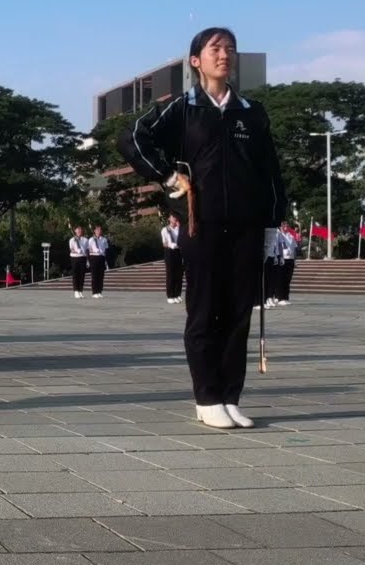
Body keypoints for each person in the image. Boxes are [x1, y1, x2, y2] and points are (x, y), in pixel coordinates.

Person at [119, 26, 286, 430]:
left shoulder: (252, 112)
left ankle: (230, 396)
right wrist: (167, 177)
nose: (224, 54)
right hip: (201, 223)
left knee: (239, 312)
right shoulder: (182, 107)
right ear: (196, 60)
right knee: (206, 310)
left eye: (230, 48)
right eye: (215, 48)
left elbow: (271, 173)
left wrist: (272, 224)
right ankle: (207, 396)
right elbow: (132, 139)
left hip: (247, 226)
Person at [162, 214, 184, 304]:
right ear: (169, 219)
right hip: (170, 252)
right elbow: (164, 243)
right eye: (172, 217)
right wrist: (172, 245)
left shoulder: (180, 228)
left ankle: (177, 294)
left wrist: (180, 228)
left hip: (179, 252)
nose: (174, 218)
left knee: (179, 274)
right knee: (171, 274)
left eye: (176, 217)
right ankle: (170, 295)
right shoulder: (165, 229)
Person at [276, 221, 298, 305]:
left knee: (288, 279)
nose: (285, 226)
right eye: (283, 225)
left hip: (290, 259)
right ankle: (280, 297)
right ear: (281, 226)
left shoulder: (291, 236)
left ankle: (286, 297)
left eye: (287, 225)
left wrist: (294, 260)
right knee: (281, 279)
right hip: (282, 258)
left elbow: (294, 248)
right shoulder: (279, 235)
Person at [87, 225, 109, 299]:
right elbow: (88, 250)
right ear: (94, 231)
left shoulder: (104, 239)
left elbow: (106, 250)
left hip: (101, 257)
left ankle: (99, 291)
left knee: (101, 276)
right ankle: (94, 292)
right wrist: (89, 260)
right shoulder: (91, 240)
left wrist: (106, 260)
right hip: (94, 257)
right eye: (97, 230)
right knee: (94, 275)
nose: (99, 231)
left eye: (100, 230)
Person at [68, 226, 88, 299]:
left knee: (82, 275)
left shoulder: (85, 240)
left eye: (80, 229)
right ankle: (76, 291)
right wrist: (77, 251)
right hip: (75, 258)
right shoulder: (72, 240)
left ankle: (80, 291)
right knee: (76, 274)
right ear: (75, 231)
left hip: (83, 257)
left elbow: (87, 249)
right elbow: (71, 249)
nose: (79, 231)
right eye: (77, 230)